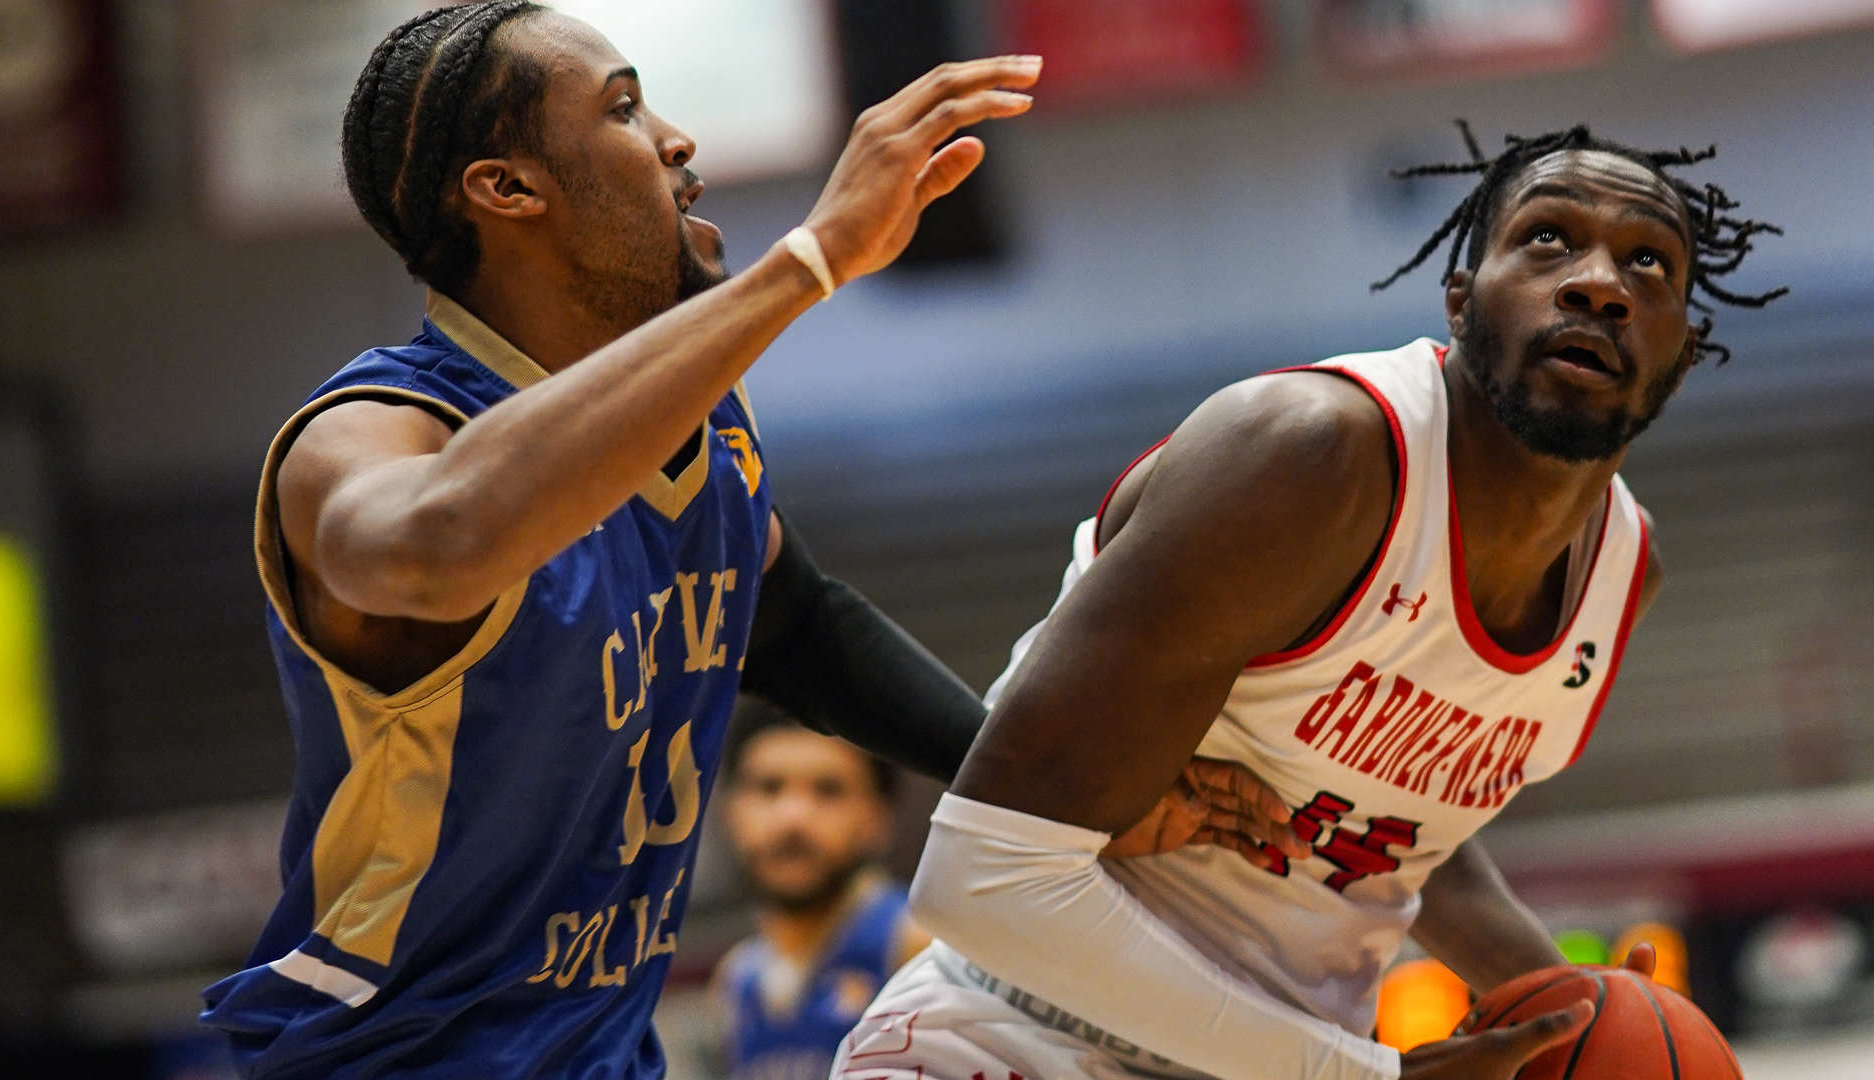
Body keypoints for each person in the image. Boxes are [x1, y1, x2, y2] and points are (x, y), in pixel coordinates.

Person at [194, 6, 1263, 1077]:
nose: (675, 139)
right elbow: (437, 544)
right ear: (507, 189)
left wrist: (1059, 796)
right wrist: (809, 260)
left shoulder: (703, 432)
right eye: (622, 108)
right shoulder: (372, 429)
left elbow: (798, 625)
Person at [836, 125, 1785, 1080]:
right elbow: (982, 883)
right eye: (1547, 239)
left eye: (1648, 264)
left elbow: (1399, 838)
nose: (1598, 283)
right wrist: (1360, 1076)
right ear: (1460, 301)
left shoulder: (1624, 571)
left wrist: (1569, 1016)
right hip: (1016, 1039)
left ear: (1684, 353)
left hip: (1281, 1060)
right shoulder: (1307, 455)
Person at [709, 700, 927, 1080]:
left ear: (878, 817)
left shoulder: (917, 945)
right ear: (730, 810)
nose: (792, 816)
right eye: (768, 787)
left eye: (828, 790)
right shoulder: (735, 981)